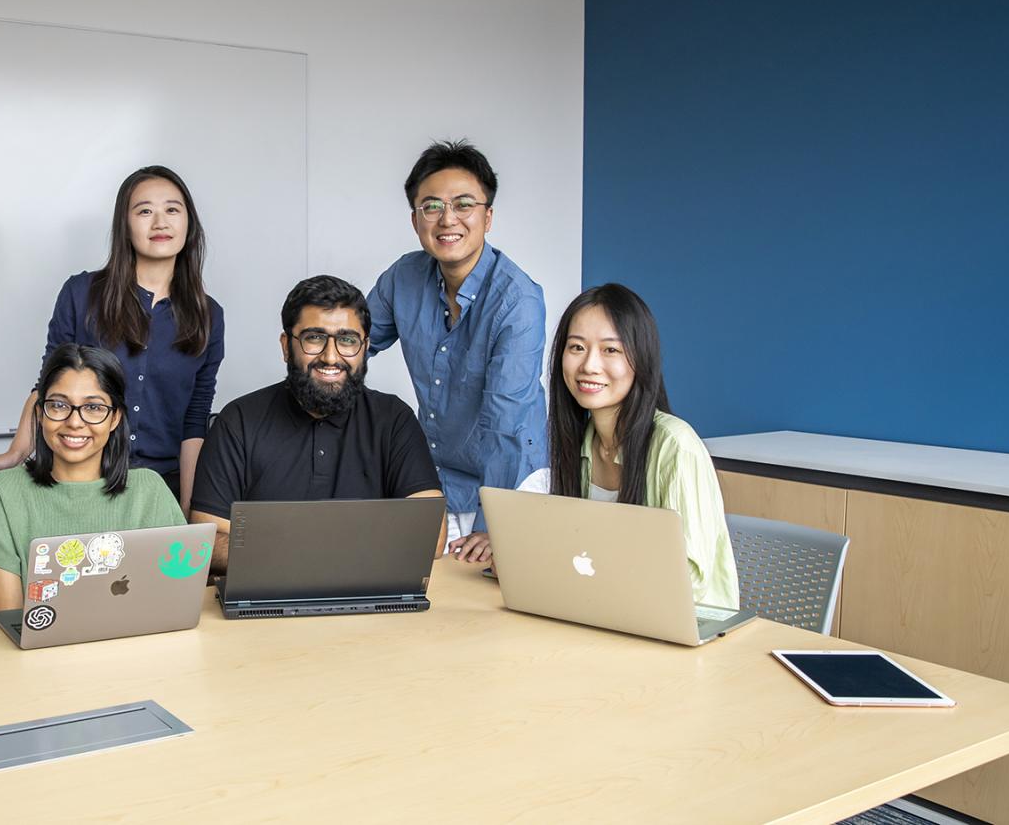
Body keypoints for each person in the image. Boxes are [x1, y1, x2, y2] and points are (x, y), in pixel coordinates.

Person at [0, 166, 225, 513]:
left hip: (160, 490)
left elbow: (195, 420)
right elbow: (48, 386)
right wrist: (17, 451)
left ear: (189, 223)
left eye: (172, 210)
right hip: (81, 482)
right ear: (125, 224)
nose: (160, 222)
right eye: (145, 210)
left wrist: (191, 510)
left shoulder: (209, 315)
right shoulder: (81, 294)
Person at [366, 140, 546, 566]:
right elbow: (352, 347)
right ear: (415, 219)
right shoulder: (403, 278)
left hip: (511, 481)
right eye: (431, 206)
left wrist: (494, 524)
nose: (448, 219)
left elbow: (506, 422)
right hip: (437, 475)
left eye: (464, 204)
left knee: (488, 608)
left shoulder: (518, 301)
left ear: (488, 215)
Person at [189, 275, 446, 572]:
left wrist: (277, 545)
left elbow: (431, 537)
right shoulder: (239, 421)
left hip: (367, 600)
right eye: (314, 338)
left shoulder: (394, 419)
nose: (331, 356)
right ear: (287, 346)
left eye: (347, 340)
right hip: (266, 604)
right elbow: (203, 543)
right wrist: (339, 547)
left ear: (364, 347)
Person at [517, 284, 739, 608]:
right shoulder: (578, 441)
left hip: (682, 631)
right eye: (576, 347)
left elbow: (691, 582)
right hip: (606, 616)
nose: (589, 365)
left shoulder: (675, 446)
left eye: (611, 350)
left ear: (641, 358)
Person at [0, 343, 185, 612]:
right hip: (27, 651)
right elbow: (11, 618)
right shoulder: (0, 493)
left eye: (94, 408)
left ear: (115, 419)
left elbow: (172, 602)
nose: (75, 422)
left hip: (130, 649)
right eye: (59, 405)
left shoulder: (150, 490)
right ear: (40, 414)